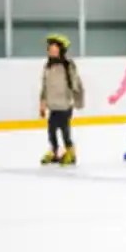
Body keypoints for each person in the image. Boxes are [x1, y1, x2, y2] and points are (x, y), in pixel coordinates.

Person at [39, 34, 84, 166]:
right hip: (53, 105)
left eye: (54, 48)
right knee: (51, 130)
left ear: (61, 50)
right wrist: (42, 104)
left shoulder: (68, 65)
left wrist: (77, 99)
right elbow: (44, 86)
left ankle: (70, 151)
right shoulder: (47, 66)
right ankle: (54, 150)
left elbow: (76, 82)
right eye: (50, 48)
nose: (51, 50)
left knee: (65, 131)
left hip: (65, 104)